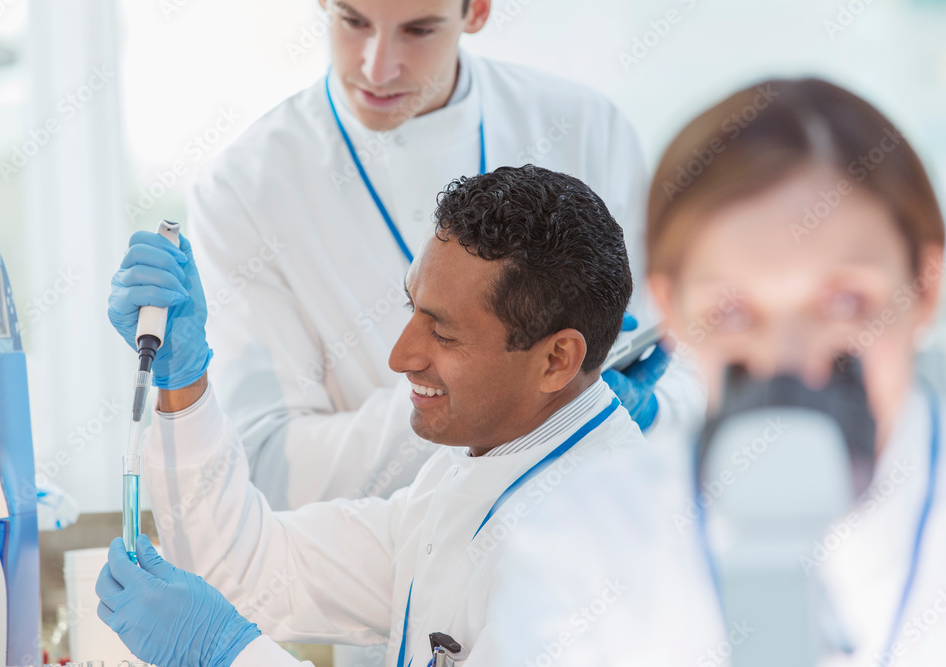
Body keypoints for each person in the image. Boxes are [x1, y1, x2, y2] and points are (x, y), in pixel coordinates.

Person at [100, 165, 670, 667]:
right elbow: (251, 572)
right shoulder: (468, 475)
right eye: (411, 308)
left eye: (444, 332)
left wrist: (229, 654)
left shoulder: (592, 549)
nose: (401, 357)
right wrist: (183, 380)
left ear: (556, 359)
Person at [484, 78, 946, 666]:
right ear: (671, 311)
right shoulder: (581, 544)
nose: (787, 361)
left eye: (845, 302)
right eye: (731, 311)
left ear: (926, 288)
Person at [188, 0, 700, 518]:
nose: (376, 67)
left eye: (418, 30)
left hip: (582, 532)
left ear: (476, 10)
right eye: (353, 21)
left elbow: (679, 356)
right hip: (372, 566)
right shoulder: (244, 187)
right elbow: (273, 468)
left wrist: (655, 412)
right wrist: (519, 394)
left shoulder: (586, 125)